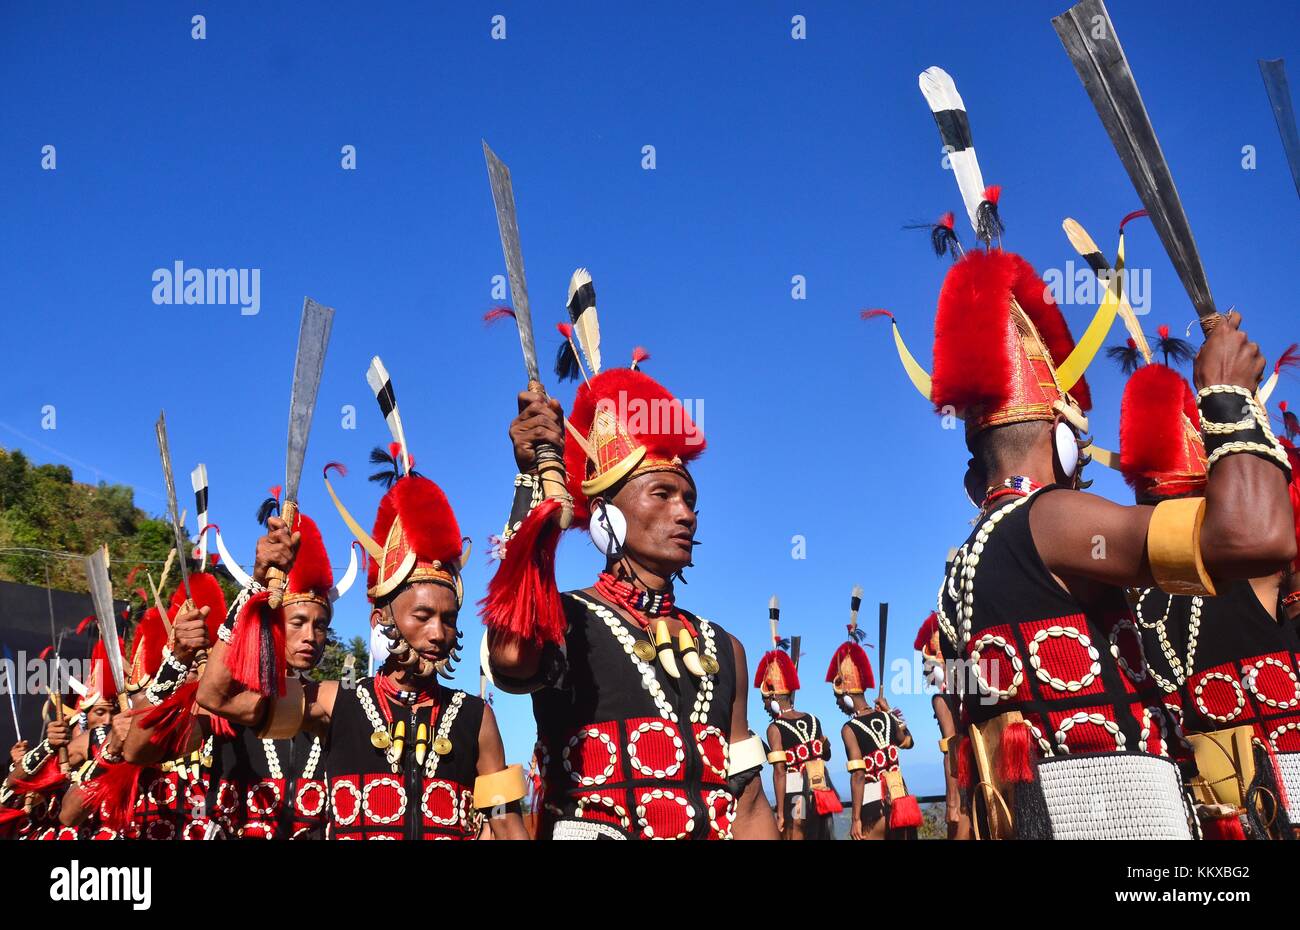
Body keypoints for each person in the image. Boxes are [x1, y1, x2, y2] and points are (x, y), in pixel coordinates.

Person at [482, 342, 777, 840]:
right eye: (661, 494)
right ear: (606, 516)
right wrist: (533, 482)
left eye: (689, 499)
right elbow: (510, 653)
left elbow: (748, 805)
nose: (684, 513)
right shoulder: (564, 619)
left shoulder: (727, 649)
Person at [200, 442, 528, 840]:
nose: (438, 633)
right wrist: (255, 585)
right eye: (422, 616)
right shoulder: (334, 705)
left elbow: (507, 823)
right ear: (381, 620)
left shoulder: (477, 719)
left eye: (449, 619)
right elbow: (217, 696)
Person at [756, 596, 839, 839]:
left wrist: (780, 811)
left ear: (772, 697)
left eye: (764, 700)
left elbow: (780, 771)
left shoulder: (775, 728)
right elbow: (826, 754)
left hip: (796, 797)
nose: (763, 706)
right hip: (821, 793)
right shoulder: (814, 719)